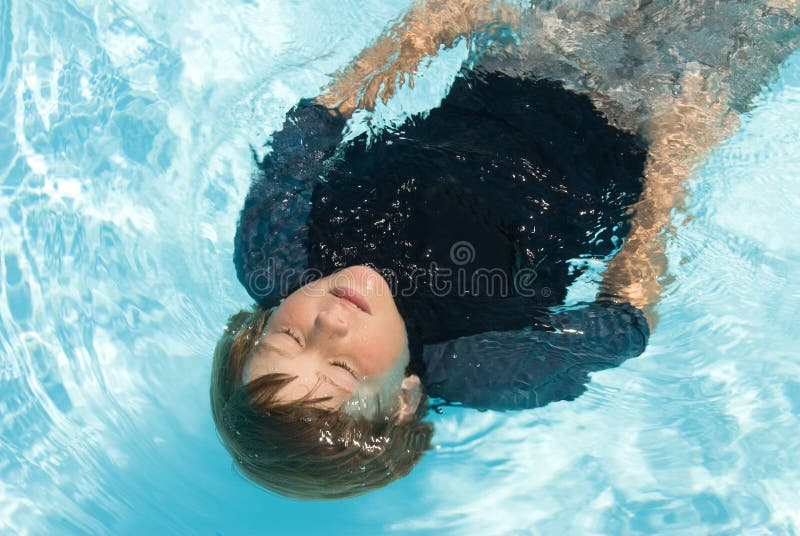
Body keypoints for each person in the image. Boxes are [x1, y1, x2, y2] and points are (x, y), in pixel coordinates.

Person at [210, 0, 800, 500]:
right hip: (636, 126)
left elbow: (312, 129)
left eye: (288, 337)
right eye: (342, 369)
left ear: (257, 329)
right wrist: (676, 158)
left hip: (514, 62)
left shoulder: (271, 257)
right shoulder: (490, 367)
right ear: (403, 400)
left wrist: (427, 30)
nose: (330, 322)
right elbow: (625, 323)